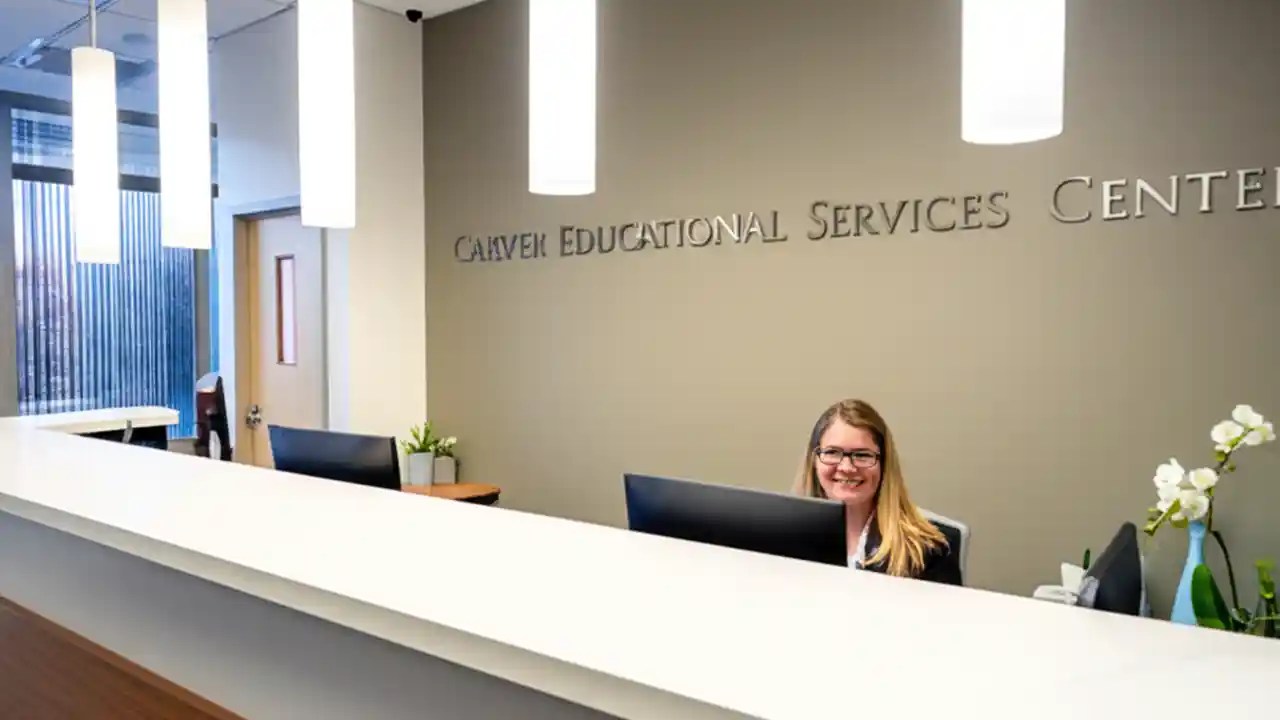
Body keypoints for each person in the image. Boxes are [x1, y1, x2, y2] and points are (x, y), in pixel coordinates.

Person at [792, 398, 962, 585]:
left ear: (884, 465)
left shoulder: (929, 551)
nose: (847, 467)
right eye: (832, 452)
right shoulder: (787, 536)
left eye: (863, 455)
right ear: (814, 461)